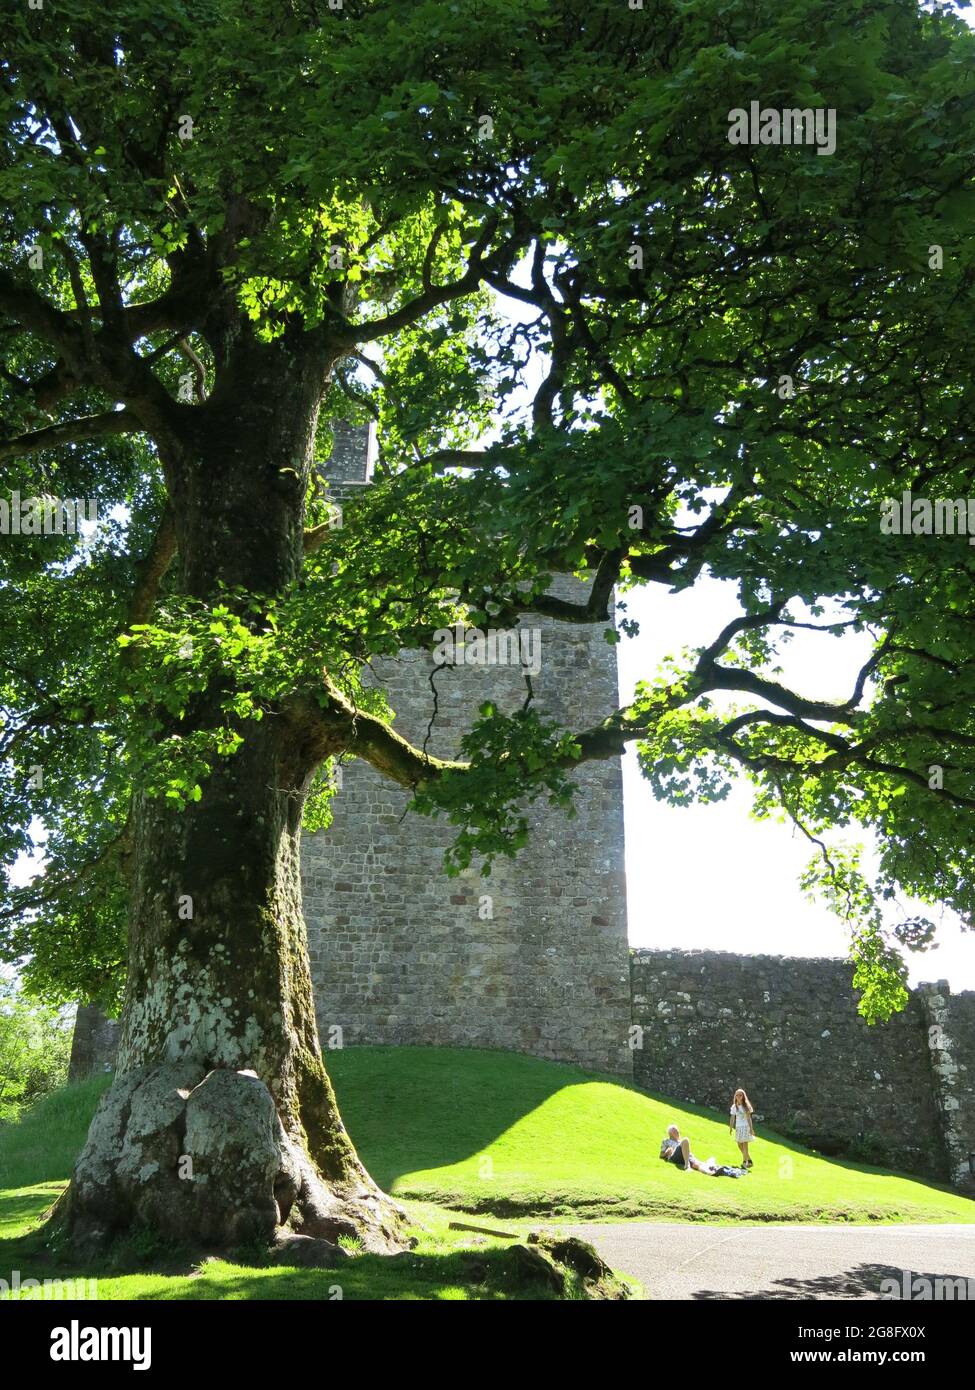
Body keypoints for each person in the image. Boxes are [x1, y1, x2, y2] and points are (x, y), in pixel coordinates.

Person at [729, 1087, 756, 1167]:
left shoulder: (746, 1106)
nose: (738, 1096)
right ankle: (749, 1160)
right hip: (738, 1127)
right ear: (735, 1096)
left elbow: (749, 1118)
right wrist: (730, 1127)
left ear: (743, 1096)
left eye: (740, 1095)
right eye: (737, 1095)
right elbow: (732, 1117)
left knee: (745, 1144)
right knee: (739, 1145)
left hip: (745, 1127)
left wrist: (751, 1129)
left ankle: (744, 1162)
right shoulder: (734, 1106)